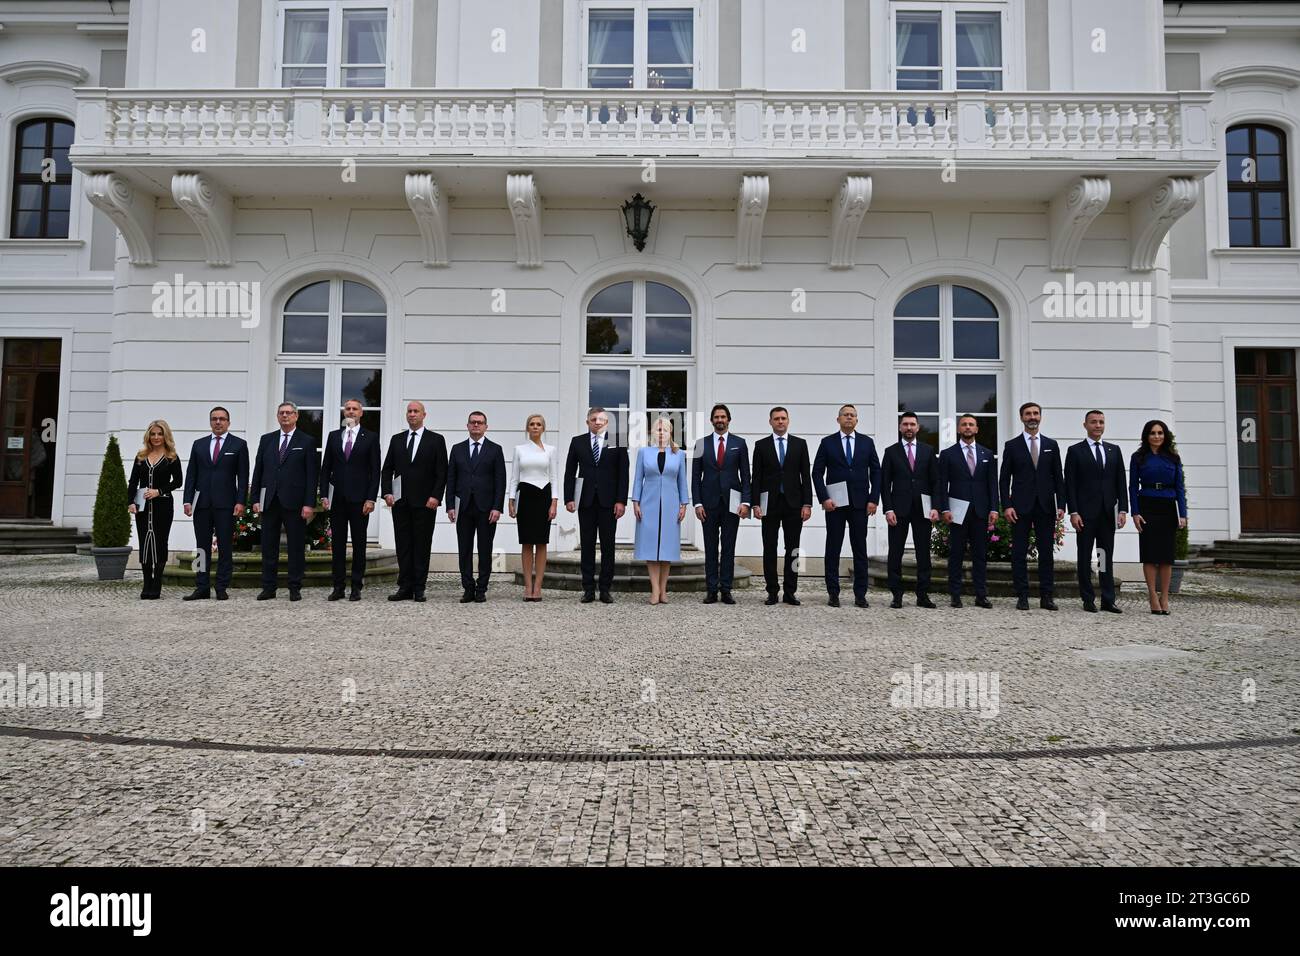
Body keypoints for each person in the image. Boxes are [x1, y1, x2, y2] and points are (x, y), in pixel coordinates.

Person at [1000, 402, 1066, 611]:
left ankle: (1047, 596)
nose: (1032, 417)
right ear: (1021, 418)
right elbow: (1004, 479)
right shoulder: (1012, 446)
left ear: (1040, 417)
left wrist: (1061, 504)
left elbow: (1058, 477)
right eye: (1028, 414)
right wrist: (1007, 506)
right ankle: (1022, 595)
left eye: (1036, 413)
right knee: (1019, 552)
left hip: (1046, 506)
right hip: (1020, 507)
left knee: (1046, 552)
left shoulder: (1051, 445)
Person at [812, 404, 880, 608]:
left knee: (860, 549)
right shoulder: (827, 443)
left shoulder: (867, 443)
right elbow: (816, 472)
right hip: (835, 504)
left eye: (852, 415)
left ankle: (861, 594)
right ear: (838, 419)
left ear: (857, 420)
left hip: (860, 504)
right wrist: (824, 498)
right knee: (833, 547)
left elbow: (876, 472)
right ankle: (833, 593)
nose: (849, 418)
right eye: (845, 415)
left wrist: (873, 499)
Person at [250, 402, 319, 601]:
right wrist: (255, 498)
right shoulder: (267, 440)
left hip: (295, 503)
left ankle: (294, 587)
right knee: (268, 546)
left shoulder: (306, 441)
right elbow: (258, 472)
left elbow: (311, 475)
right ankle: (268, 587)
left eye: (289, 413)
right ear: (277, 416)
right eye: (282, 413)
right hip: (270, 501)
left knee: (295, 547)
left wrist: (309, 503)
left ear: (296, 416)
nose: (285, 416)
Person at [381, 401, 447, 602]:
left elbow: (442, 472)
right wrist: (387, 493)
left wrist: (436, 496)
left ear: (424, 415)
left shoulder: (436, 440)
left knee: (422, 544)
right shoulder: (397, 439)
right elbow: (387, 469)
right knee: (403, 545)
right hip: (400, 503)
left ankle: (419, 587)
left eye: (415, 411)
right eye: (409, 411)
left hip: (426, 503)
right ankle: (405, 587)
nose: (412, 414)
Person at [182, 406, 249, 601]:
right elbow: (191, 475)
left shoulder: (238, 445)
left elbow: (243, 477)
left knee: (225, 546)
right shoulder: (199, 445)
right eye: (214, 419)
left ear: (228, 422)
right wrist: (187, 500)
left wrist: (241, 501)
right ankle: (201, 586)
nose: (218, 422)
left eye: (222, 419)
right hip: (201, 504)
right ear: (210, 422)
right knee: (201, 547)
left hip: (226, 504)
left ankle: (221, 586)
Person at [1065, 410, 1128, 613]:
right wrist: (1073, 512)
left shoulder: (1113, 450)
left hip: (1107, 514)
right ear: (1085, 425)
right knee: (1084, 556)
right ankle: (1088, 598)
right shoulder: (1075, 451)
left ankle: (1108, 599)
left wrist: (1123, 510)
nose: (1098, 425)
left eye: (1101, 422)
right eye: (1093, 422)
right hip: (1084, 514)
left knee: (1104, 556)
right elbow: (1070, 485)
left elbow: (1120, 482)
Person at [563, 406, 628, 604]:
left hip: (609, 503)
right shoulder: (578, 442)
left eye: (601, 419)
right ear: (587, 422)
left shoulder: (617, 442)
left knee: (608, 546)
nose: (597, 422)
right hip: (586, 501)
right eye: (593, 419)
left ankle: (606, 589)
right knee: (587, 546)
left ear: (607, 422)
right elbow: (569, 472)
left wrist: (621, 501)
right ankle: (588, 589)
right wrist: (569, 498)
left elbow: (623, 474)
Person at [319, 398, 382, 601]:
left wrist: (371, 499)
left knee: (359, 543)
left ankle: (356, 585)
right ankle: (338, 586)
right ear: (344, 413)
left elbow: (375, 471)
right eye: (348, 409)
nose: (351, 412)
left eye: (355, 409)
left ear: (361, 413)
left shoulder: (370, 438)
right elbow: (326, 467)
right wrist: (323, 494)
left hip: (360, 500)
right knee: (337, 544)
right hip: (338, 499)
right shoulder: (334, 436)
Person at [751, 406, 813, 606]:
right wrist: (755, 504)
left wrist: (807, 503)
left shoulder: (800, 444)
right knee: (769, 547)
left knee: (794, 549)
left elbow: (806, 476)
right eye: (776, 418)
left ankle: (790, 591)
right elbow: (756, 478)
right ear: (770, 422)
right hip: (769, 504)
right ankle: (772, 591)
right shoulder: (761, 446)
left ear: (788, 421)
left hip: (794, 504)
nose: (780, 421)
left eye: (783, 418)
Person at [936, 415, 999, 608]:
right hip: (957, 511)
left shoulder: (987, 454)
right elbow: (941, 484)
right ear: (958, 429)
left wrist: (994, 509)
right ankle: (955, 594)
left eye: (971, 424)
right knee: (956, 554)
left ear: (977, 429)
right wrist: (944, 508)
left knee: (980, 554)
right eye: (964, 424)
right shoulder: (948, 454)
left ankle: (981, 595)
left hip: (980, 511)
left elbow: (992, 484)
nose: (968, 427)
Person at [692, 403, 751, 604]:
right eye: (716, 417)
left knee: (728, 547)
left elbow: (745, 475)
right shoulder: (701, 444)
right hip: (708, 503)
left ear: (728, 420)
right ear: (712, 421)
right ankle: (711, 590)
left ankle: (726, 589)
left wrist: (746, 501)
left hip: (732, 503)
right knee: (710, 548)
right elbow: (694, 477)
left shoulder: (739, 443)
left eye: (723, 417)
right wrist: (697, 503)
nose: (720, 420)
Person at [446, 410, 507, 603]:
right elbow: (451, 479)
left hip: (486, 508)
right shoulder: (457, 449)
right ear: (467, 425)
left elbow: (500, 481)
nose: (476, 425)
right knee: (464, 549)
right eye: (473, 422)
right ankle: (468, 587)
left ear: (486, 427)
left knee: (484, 549)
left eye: (480, 423)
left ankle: (481, 588)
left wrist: (497, 507)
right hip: (463, 507)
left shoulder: (495, 449)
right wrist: (450, 506)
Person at [881, 412, 940, 609]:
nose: (908, 428)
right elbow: (884, 483)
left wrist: (935, 507)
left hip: (923, 509)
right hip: (898, 509)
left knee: (923, 553)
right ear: (900, 427)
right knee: (895, 552)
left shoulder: (928, 451)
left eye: (912, 424)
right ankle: (897, 594)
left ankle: (923, 595)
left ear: (918, 427)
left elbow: (936, 482)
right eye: (905, 424)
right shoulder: (891, 452)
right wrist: (888, 509)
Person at [1129, 419, 1187, 615]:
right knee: (1150, 554)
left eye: (1160, 433)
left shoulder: (1173, 458)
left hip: (1168, 508)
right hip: (1147, 506)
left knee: (1165, 557)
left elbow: (1180, 487)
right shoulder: (1138, 457)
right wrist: (1135, 513)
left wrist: (1183, 514)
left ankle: (1165, 597)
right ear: (1147, 436)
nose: (1156, 436)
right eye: (1153, 433)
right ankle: (1152, 595)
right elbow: (1132, 487)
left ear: (1165, 436)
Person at [631, 417, 689, 605]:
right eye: (658, 430)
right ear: (652, 433)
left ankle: (664, 590)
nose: (661, 433)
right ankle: (654, 590)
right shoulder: (644, 453)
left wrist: (684, 504)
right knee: (650, 547)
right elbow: (638, 478)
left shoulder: (678, 454)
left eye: (665, 430)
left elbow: (682, 481)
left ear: (670, 432)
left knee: (667, 548)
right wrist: (636, 502)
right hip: (648, 503)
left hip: (671, 504)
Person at [127, 420, 183, 599]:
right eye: (153, 434)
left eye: (160, 434)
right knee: (145, 541)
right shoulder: (141, 456)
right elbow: (133, 481)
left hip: (163, 505)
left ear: (165, 436)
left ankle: (157, 582)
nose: (156, 437)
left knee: (160, 542)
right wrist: (130, 502)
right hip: (143, 507)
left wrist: (159, 491)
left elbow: (178, 481)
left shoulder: (171, 457)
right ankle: (147, 583)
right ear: (148, 436)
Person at [509, 414, 559, 602]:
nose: (535, 427)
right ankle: (527, 586)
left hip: (544, 496)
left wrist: (554, 502)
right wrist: (511, 499)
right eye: (532, 424)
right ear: (527, 428)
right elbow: (514, 476)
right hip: (525, 496)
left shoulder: (551, 450)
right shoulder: (519, 449)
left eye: (538, 424)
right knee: (527, 541)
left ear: (543, 428)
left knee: (541, 541)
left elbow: (554, 477)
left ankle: (538, 587)